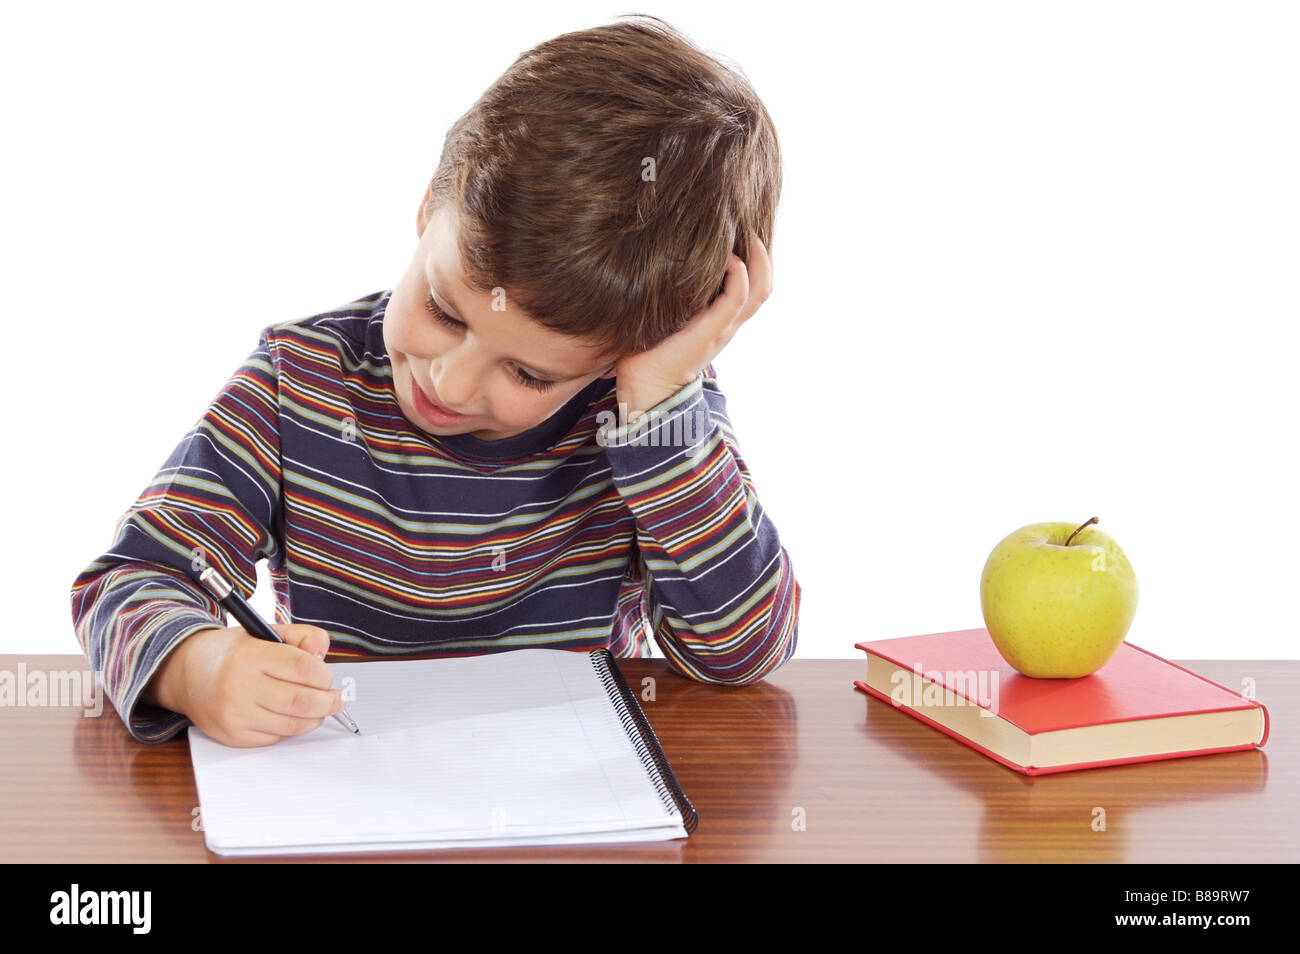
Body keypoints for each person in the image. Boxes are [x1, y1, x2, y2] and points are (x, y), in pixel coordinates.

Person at [69, 14, 800, 747]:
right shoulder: (299, 382)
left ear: (624, 358)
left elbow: (740, 654)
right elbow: (127, 581)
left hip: (570, 819)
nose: (449, 385)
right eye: (444, 310)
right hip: (339, 795)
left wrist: (660, 414)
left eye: (526, 371)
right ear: (428, 211)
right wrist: (196, 666)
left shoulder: (657, 420)